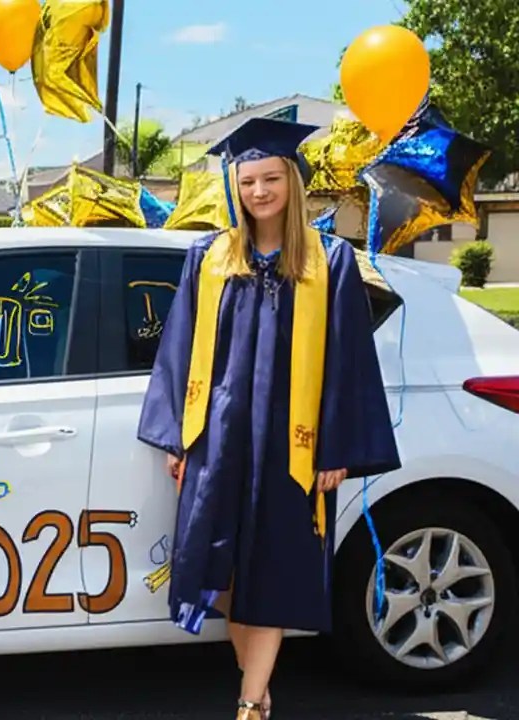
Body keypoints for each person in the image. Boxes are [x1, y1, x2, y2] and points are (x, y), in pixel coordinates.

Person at [136, 117, 402, 720]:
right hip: (220, 437)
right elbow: (177, 350)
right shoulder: (209, 257)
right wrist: (178, 437)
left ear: (292, 180)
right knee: (223, 568)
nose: (259, 191)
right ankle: (255, 676)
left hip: (291, 443)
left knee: (275, 568)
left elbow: (347, 358)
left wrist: (335, 447)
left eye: (271, 178)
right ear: (236, 185)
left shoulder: (329, 261)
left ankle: (251, 703)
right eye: (249, 179)